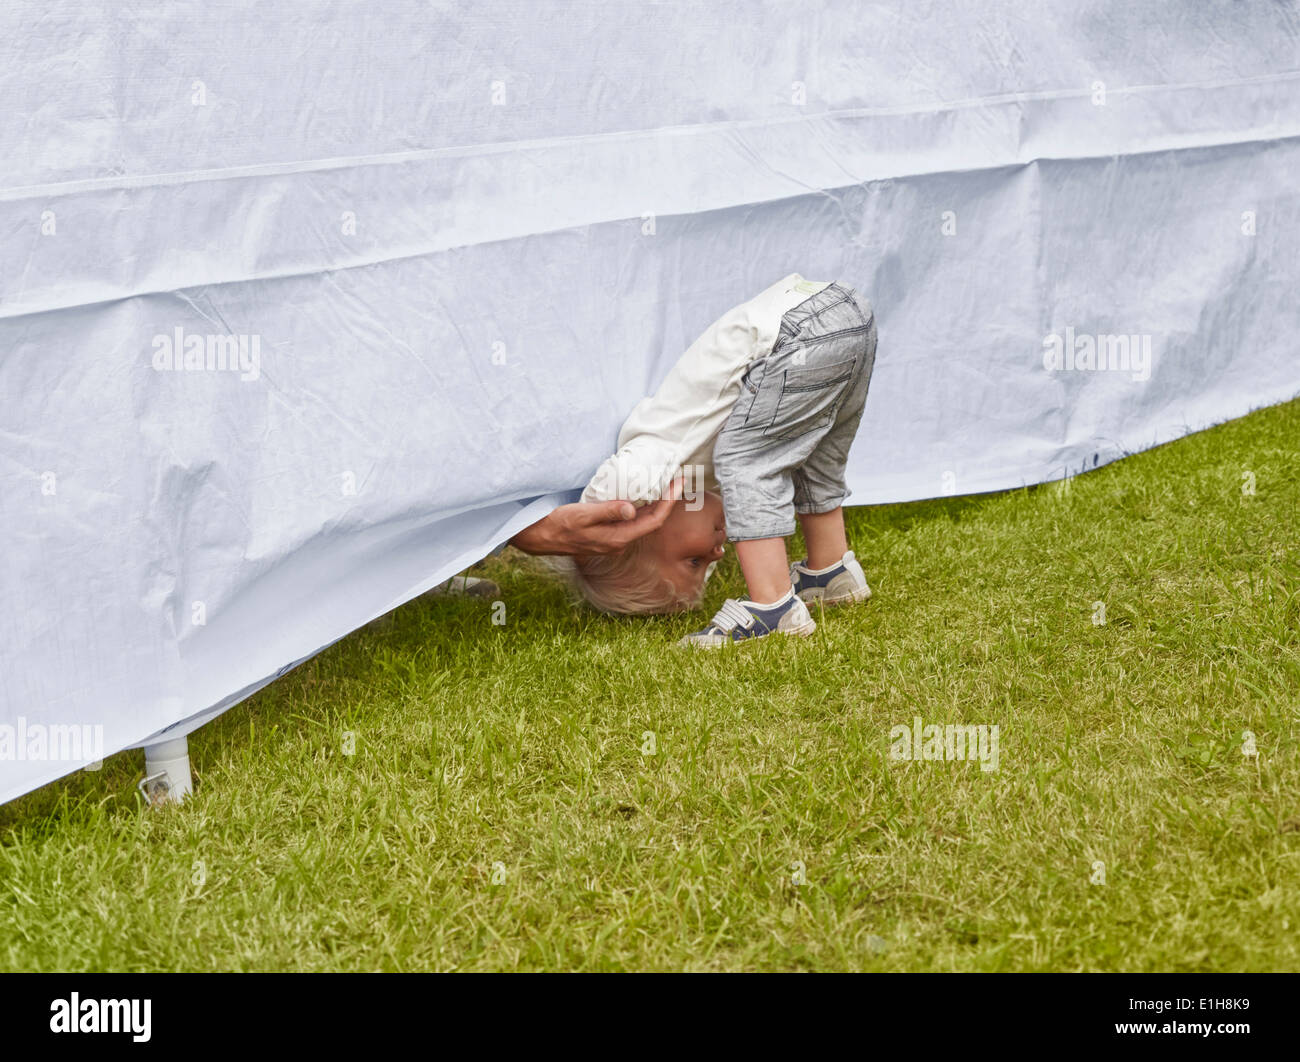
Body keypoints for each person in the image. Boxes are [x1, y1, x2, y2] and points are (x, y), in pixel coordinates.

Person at [556, 273, 878, 647]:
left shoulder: (656, 455)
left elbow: (619, 484)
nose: (717, 552)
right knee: (814, 456)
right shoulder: (690, 479)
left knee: (746, 461)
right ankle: (830, 570)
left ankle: (772, 607)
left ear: (642, 525)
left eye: (694, 560)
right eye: (708, 565)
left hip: (795, 332)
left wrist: (597, 528)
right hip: (843, 315)